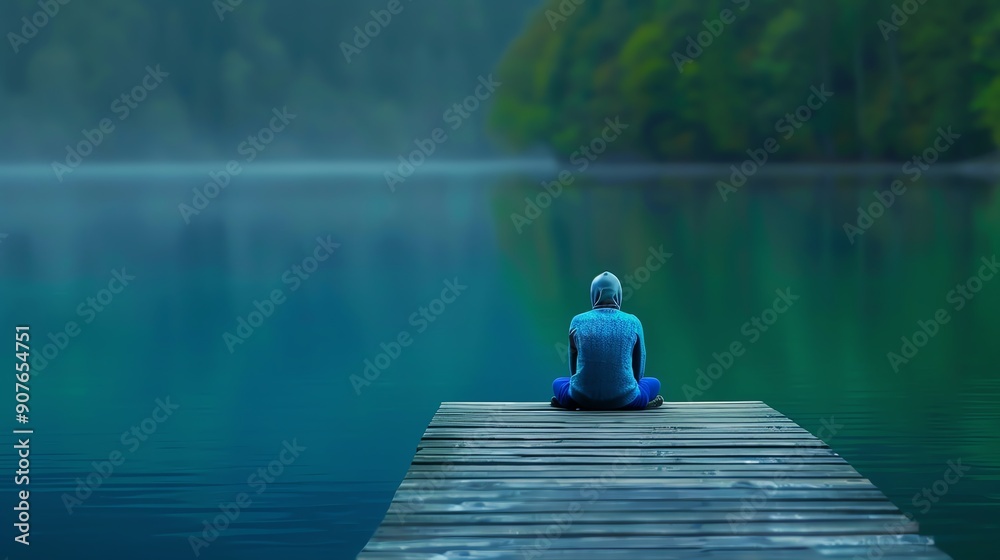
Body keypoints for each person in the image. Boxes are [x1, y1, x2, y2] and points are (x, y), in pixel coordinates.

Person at [551, 271, 663, 410]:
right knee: (654, 383)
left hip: (582, 399)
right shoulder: (633, 322)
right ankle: (635, 401)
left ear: (593, 294)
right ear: (618, 294)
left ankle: (570, 401)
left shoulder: (577, 321)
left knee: (558, 383)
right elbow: (639, 371)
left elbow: (573, 370)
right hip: (626, 399)